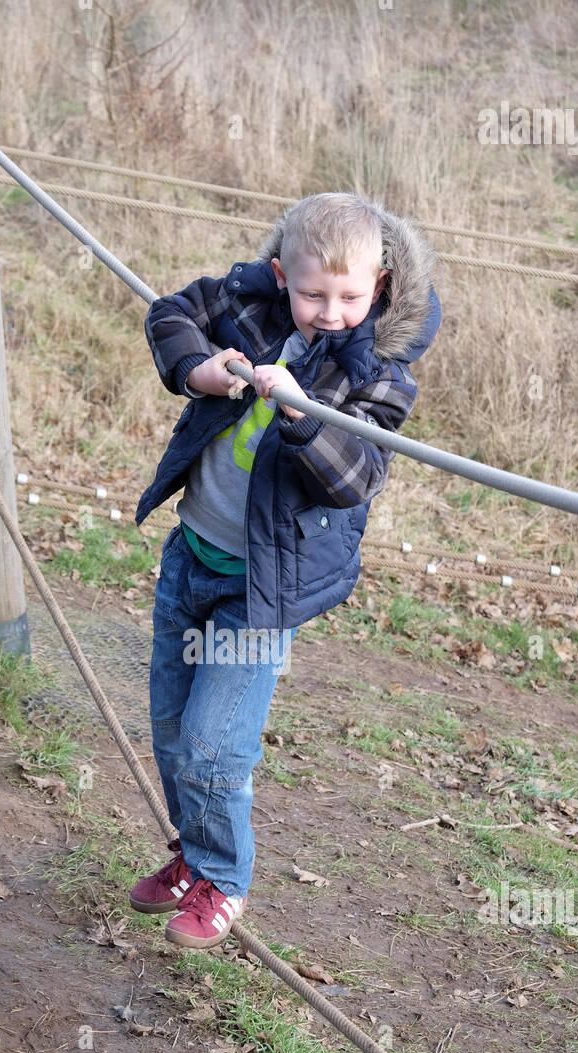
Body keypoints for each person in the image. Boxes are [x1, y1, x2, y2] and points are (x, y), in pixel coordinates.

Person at [129, 192, 440, 949]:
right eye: (311, 294)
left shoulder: (382, 372)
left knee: (213, 742)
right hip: (192, 555)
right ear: (281, 274)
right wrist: (197, 368)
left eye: (349, 296)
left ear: (381, 286)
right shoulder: (249, 303)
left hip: (262, 587)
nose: (330, 312)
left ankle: (224, 881)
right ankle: (192, 856)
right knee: (171, 731)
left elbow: (355, 476)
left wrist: (304, 413)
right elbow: (170, 311)